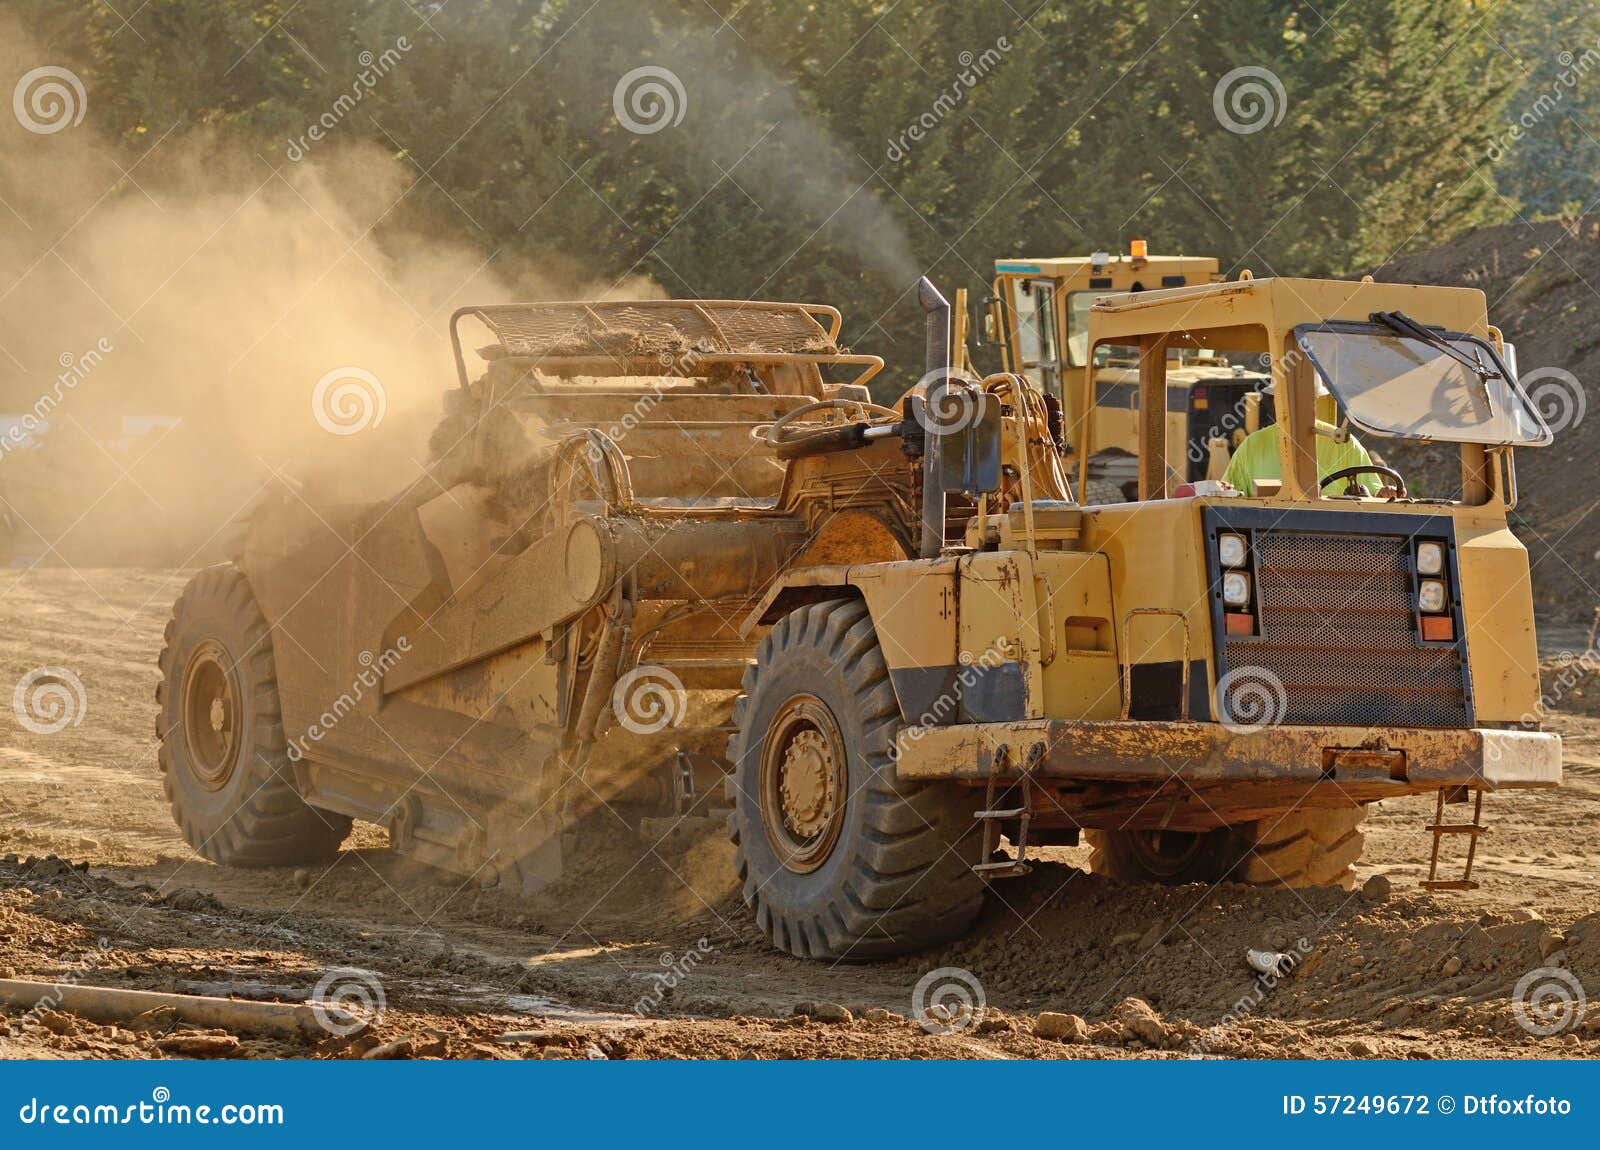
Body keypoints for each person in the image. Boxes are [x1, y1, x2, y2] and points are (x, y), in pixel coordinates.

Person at [1222, 377, 1385, 496]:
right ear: (1275, 402)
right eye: (1288, 400)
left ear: (1315, 402)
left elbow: (1375, 493)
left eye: (1305, 399)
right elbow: (1227, 496)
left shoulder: (1345, 445)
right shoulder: (1252, 447)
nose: (1296, 407)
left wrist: (1384, 493)